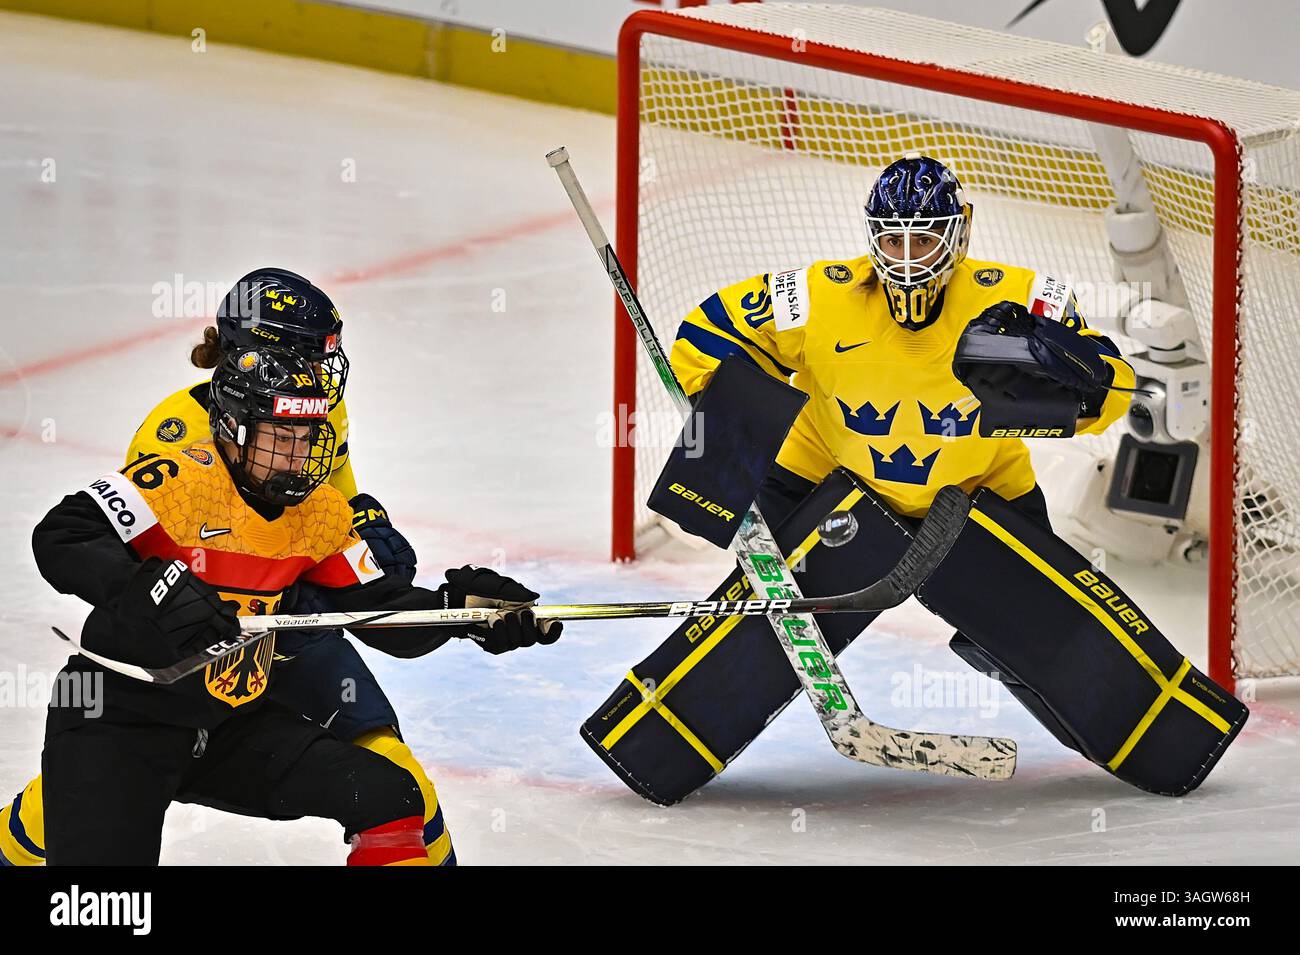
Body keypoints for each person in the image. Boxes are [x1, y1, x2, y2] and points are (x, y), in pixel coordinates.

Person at [582, 154, 1242, 803]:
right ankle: (653, 743)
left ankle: (1116, 715)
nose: (905, 253)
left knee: (1049, 637)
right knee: (762, 637)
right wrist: (735, 428)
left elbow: (1117, 392)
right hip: (825, 486)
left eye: (923, 236)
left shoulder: (1012, 298)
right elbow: (705, 333)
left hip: (978, 493)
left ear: (960, 232)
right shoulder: (822, 293)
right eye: (891, 237)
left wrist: (1076, 369)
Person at [2, 268, 467, 865]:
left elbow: (344, 555)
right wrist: (153, 589)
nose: (301, 448)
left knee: (394, 783)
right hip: (162, 682)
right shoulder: (180, 450)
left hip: (260, 651)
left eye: (309, 434)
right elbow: (84, 543)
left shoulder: (309, 416)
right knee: (93, 827)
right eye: (284, 434)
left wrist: (465, 609)